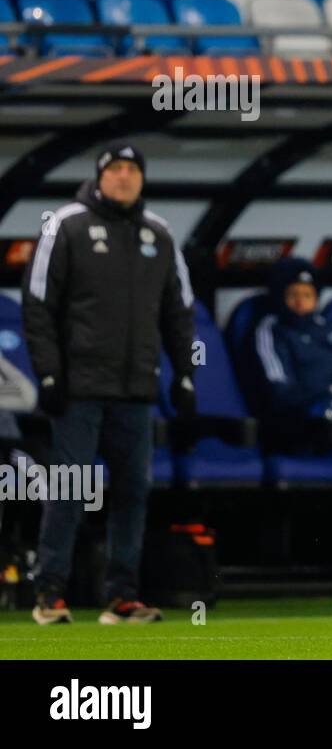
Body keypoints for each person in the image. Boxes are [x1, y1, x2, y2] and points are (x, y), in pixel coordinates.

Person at [22, 142, 196, 626]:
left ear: (142, 178)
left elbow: (179, 313)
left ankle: (122, 597)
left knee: (133, 490)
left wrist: (184, 374)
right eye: (115, 169)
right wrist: (49, 373)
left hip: (136, 387)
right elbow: (37, 305)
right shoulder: (67, 224)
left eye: (132, 170)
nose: (123, 177)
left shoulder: (158, 234)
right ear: (100, 176)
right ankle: (49, 593)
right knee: (70, 487)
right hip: (77, 387)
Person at [253, 257, 332, 450]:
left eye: (307, 295)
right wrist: (326, 392)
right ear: (281, 296)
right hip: (313, 412)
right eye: (293, 295)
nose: (300, 302)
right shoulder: (273, 330)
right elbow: (280, 390)